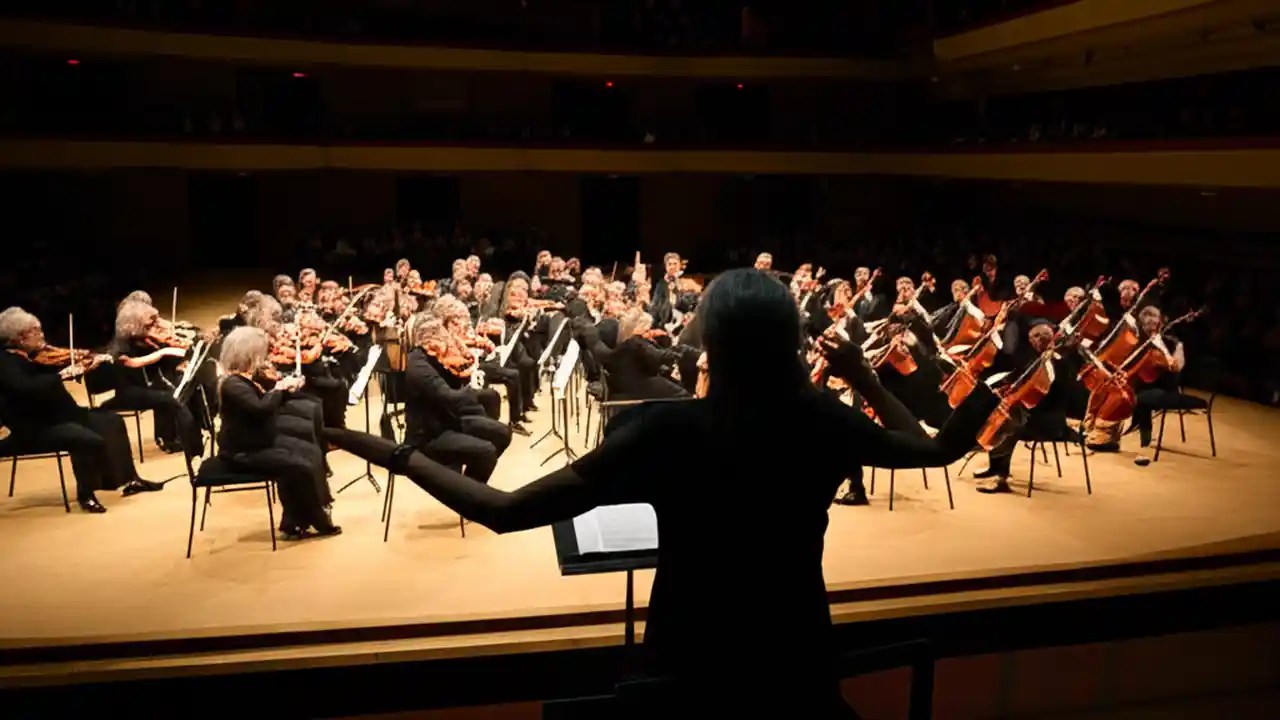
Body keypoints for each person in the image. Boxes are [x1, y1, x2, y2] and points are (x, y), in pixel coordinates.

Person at [324, 269, 998, 716]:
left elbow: (502, 511)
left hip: (692, 660)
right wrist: (866, 380)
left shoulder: (667, 430)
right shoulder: (820, 418)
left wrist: (395, 452)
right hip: (796, 660)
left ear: (711, 344)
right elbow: (934, 449)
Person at [0, 307, 163, 512]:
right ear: (19, 338)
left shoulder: (33, 356)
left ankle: (129, 479)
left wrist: (88, 364)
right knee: (86, 439)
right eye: (36, 331)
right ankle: (86, 495)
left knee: (112, 421)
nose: (42, 335)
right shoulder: (6, 363)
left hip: (64, 415)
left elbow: (50, 372)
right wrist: (61, 375)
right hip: (37, 426)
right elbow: (25, 387)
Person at [216, 327, 339, 539]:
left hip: (258, 441)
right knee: (300, 465)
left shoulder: (241, 379)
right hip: (243, 451)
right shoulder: (232, 384)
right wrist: (280, 389)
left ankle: (296, 520)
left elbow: (265, 404)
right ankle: (315, 520)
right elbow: (260, 408)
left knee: (308, 450)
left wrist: (285, 389)